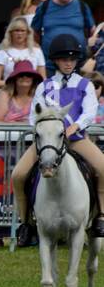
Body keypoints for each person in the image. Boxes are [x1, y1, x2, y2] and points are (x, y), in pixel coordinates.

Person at [13, 34, 104, 247]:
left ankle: (100, 217)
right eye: (64, 59)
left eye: (72, 59)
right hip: (49, 141)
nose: (68, 63)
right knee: (18, 175)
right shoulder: (44, 86)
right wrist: (44, 130)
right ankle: (26, 224)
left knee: (103, 168)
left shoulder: (85, 85)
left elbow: (90, 111)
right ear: (56, 60)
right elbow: (33, 116)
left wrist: (76, 126)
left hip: (75, 138)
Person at [31, 0, 93, 65]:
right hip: (50, 63)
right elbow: (35, 32)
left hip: (77, 63)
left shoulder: (82, 6)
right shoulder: (44, 6)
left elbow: (93, 31)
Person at [0, 18, 46, 89]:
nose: (19, 33)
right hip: (9, 92)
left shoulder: (37, 52)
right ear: (10, 33)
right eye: (16, 30)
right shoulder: (2, 53)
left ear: (28, 33)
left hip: (32, 94)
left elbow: (43, 80)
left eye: (22, 31)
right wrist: (16, 82)